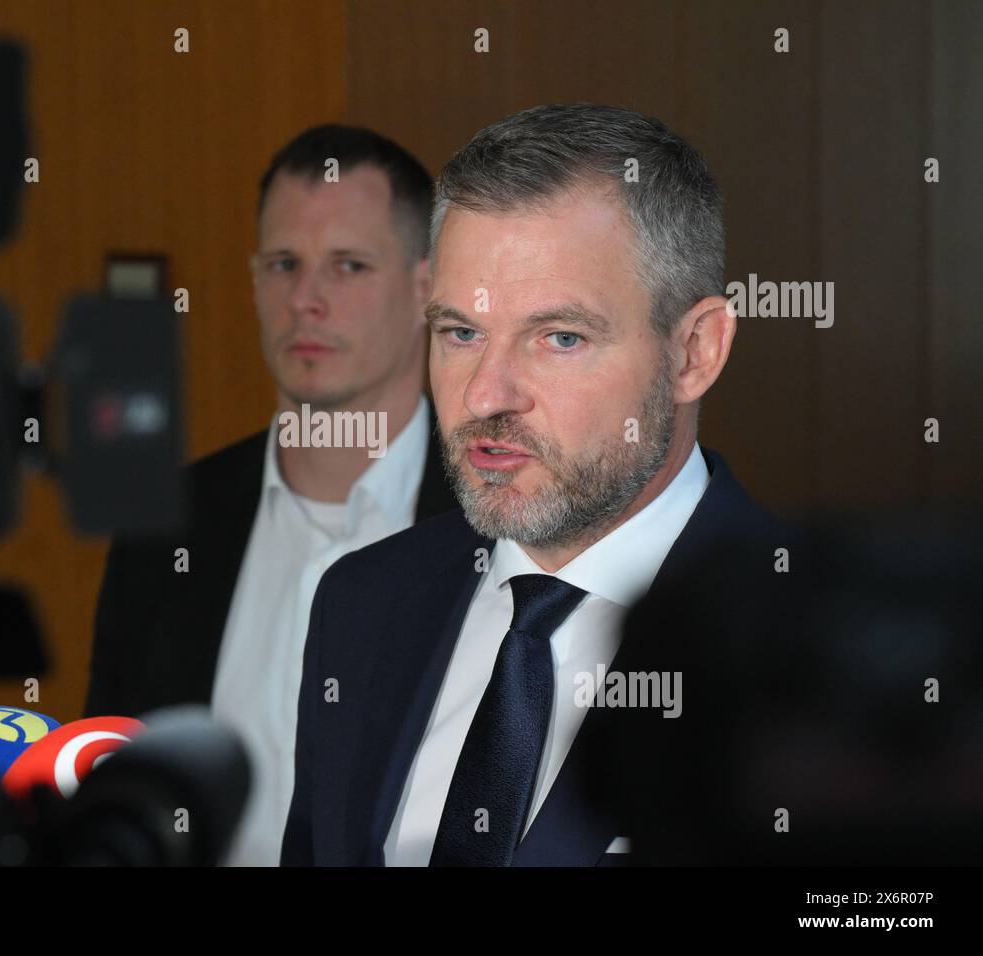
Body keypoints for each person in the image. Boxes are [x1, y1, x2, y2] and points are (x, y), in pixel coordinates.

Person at [281, 104, 785, 866]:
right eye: (461, 333)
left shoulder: (814, 656)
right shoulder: (362, 601)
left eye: (560, 338)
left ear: (695, 352)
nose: (486, 394)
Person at [85, 124, 456, 866]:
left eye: (348, 266)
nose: (306, 300)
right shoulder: (166, 521)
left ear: (425, 290)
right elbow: (112, 782)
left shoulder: (501, 525)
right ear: (255, 280)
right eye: (284, 264)